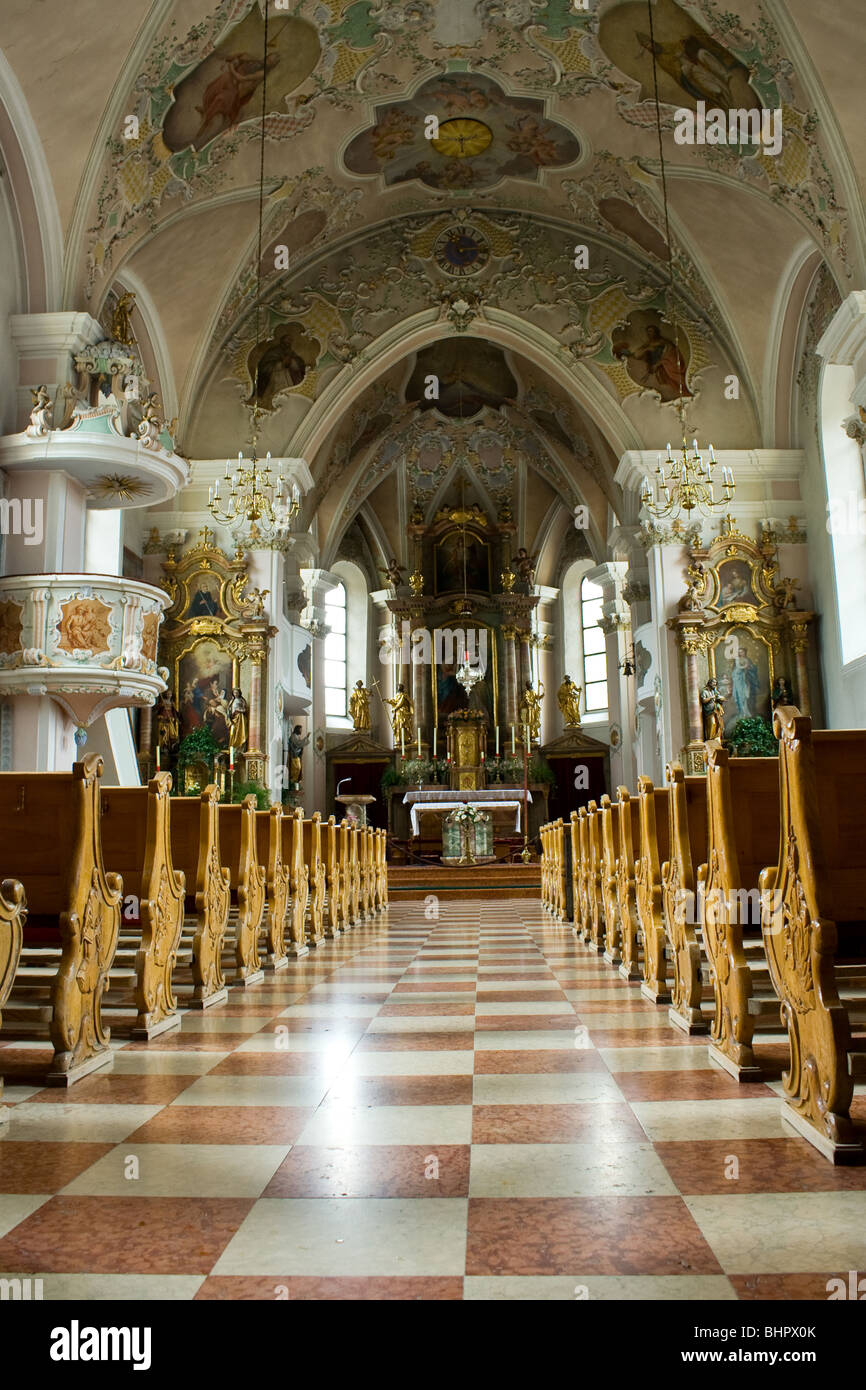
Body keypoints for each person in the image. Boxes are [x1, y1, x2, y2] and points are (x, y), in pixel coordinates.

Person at [732, 652, 760, 720]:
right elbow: (738, 667)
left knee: (744, 696)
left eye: (742, 652)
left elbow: (750, 668)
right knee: (739, 696)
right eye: (739, 652)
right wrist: (744, 666)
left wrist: (747, 667)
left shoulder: (747, 660)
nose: (741, 653)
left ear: (745, 652)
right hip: (737, 678)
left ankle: (746, 712)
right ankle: (741, 712)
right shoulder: (737, 660)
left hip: (744, 678)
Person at [700, 676, 725, 741]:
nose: (714, 684)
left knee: (718, 724)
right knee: (712, 724)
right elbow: (703, 700)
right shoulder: (705, 691)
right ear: (709, 683)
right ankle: (710, 739)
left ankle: (716, 738)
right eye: (713, 683)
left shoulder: (715, 691)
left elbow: (717, 698)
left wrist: (721, 699)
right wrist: (711, 697)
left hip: (715, 710)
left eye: (715, 683)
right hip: (709, 711)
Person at [519, 679, 544, 743]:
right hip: (528, 710)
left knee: (533, 722)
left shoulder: (533, 691)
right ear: (527, 685)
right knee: (528, 722)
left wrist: (542, 695)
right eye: (529, 684)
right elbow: (526, 699)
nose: (531, 685)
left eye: (531, 684)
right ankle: (527, 735)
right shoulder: (526, 692)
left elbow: (537, 697)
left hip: (533, 710)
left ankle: (532, 735)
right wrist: (530, 703)